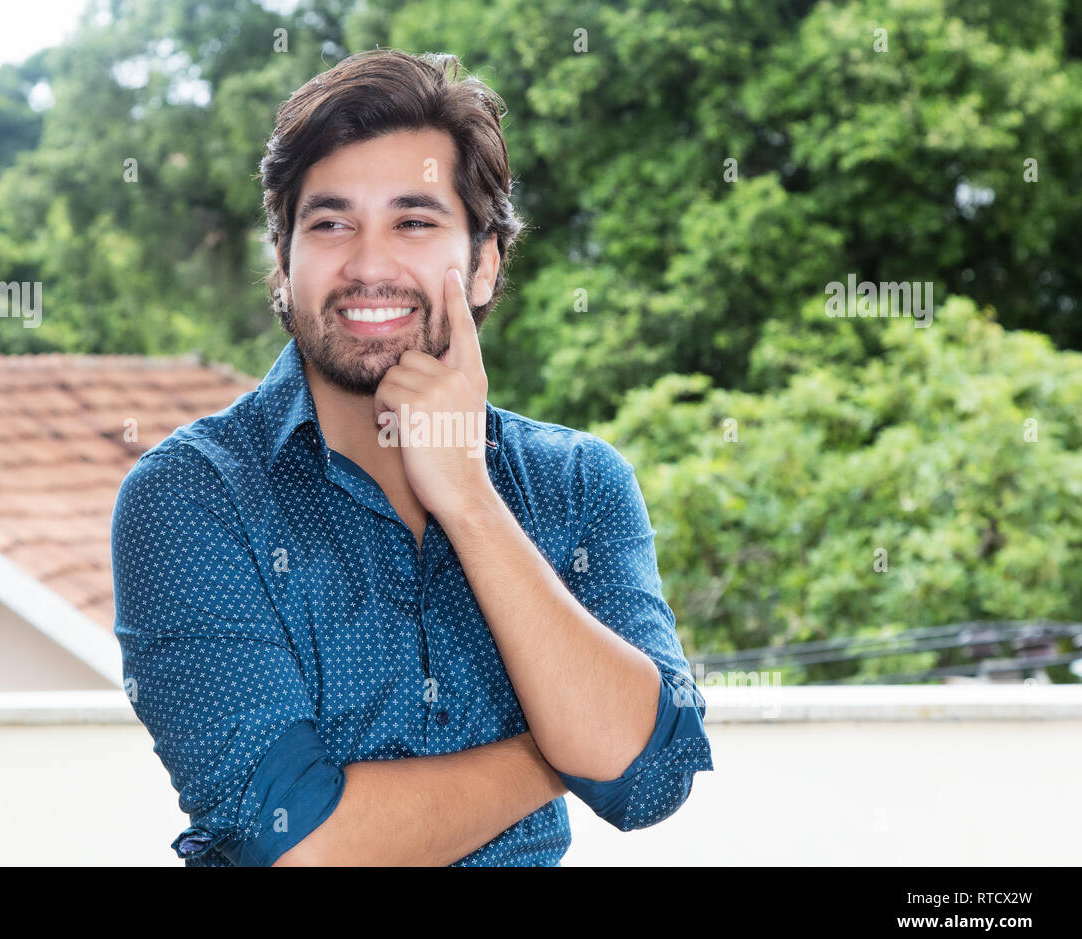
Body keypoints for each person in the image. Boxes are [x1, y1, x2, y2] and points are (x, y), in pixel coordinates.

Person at [111, 48, 713, 867]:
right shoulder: (189, 498)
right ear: (283, 267)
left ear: (484, 263)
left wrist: (468, 497)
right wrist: (561, 747)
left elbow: (649, 780)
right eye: (330, 224)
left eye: (415, 221)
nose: (368, 264)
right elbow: (299, 844)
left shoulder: (579, 484)